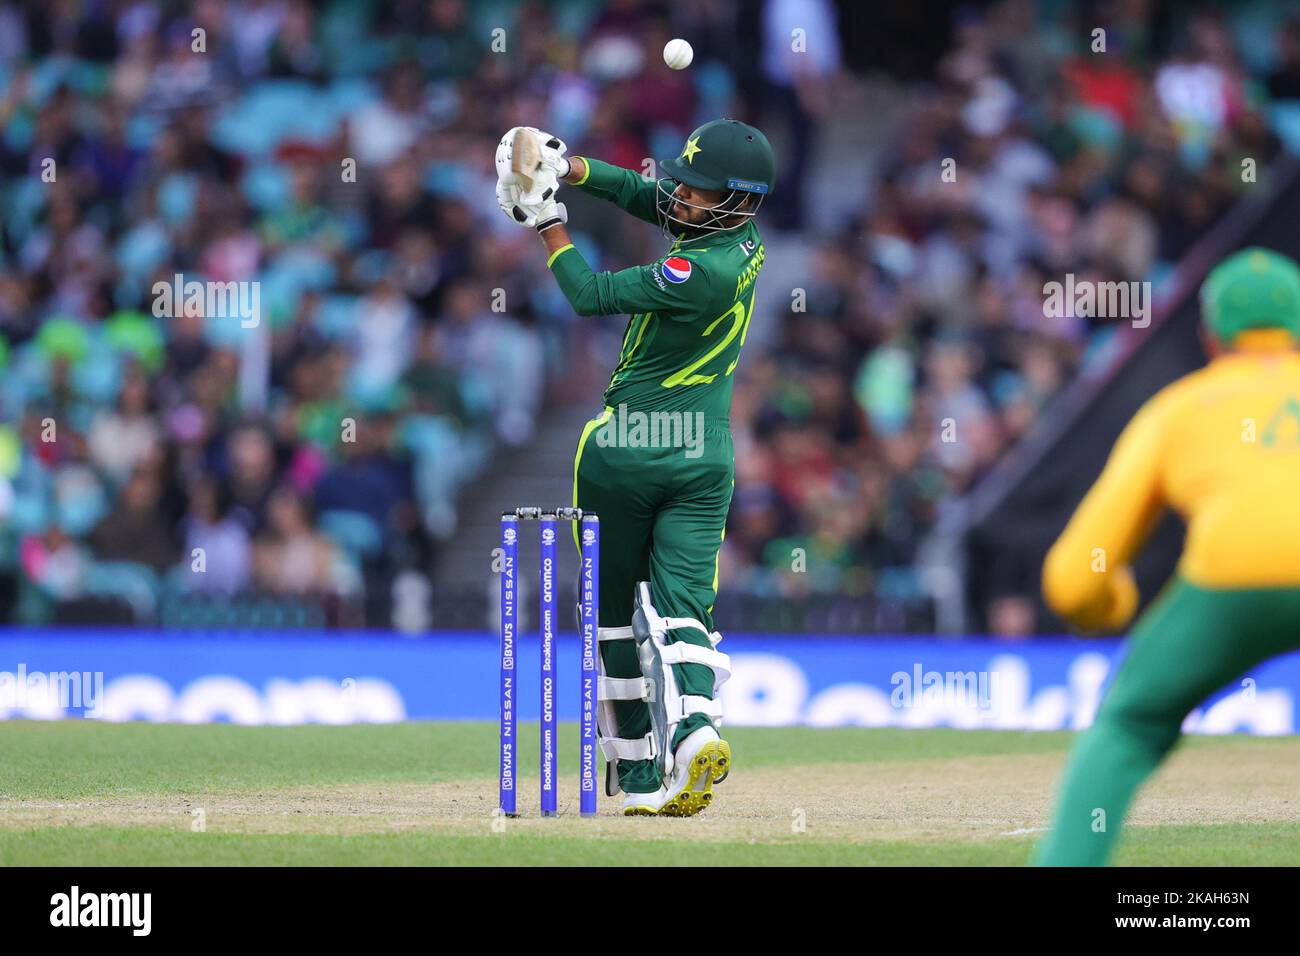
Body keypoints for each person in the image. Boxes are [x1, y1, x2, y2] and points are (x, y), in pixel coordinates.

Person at [495, 120, 776, 815]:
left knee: (612, 614)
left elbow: (589, 296)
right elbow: (650, 196)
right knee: (685, 608)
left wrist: (548, 222)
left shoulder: (694, 271)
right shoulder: (742, 242)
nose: (681, 195)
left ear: (735, 199)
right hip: (706, 451)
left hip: (630, 443)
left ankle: (641, 771)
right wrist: (572, 165)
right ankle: (698, 730)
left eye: (698, 189)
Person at [1035, 247, 1300, 865]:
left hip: (1231, 582)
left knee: (1128, 726)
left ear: (1210, 336)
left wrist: (1110, 606)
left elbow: (1072, 582)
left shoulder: (1177, 410)